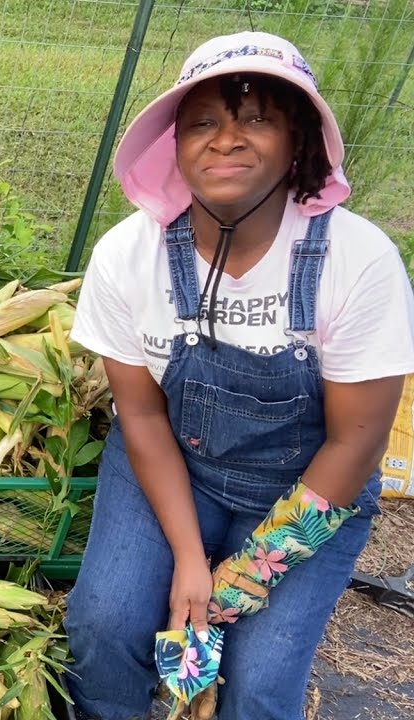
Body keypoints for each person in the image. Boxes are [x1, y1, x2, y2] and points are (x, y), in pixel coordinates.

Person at [63, 31, 414, 720]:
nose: (226, 139)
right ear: (175, 148)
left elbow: (355, 447)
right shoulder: (126, 257)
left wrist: (245, 578)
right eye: (203, 122)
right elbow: (140, 415)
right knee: (103, 624)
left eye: (257, 118)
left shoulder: (358, 260)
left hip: (309, 488)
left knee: (257, 684)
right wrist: (192, 564)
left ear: (298, 142)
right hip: (172, 469)